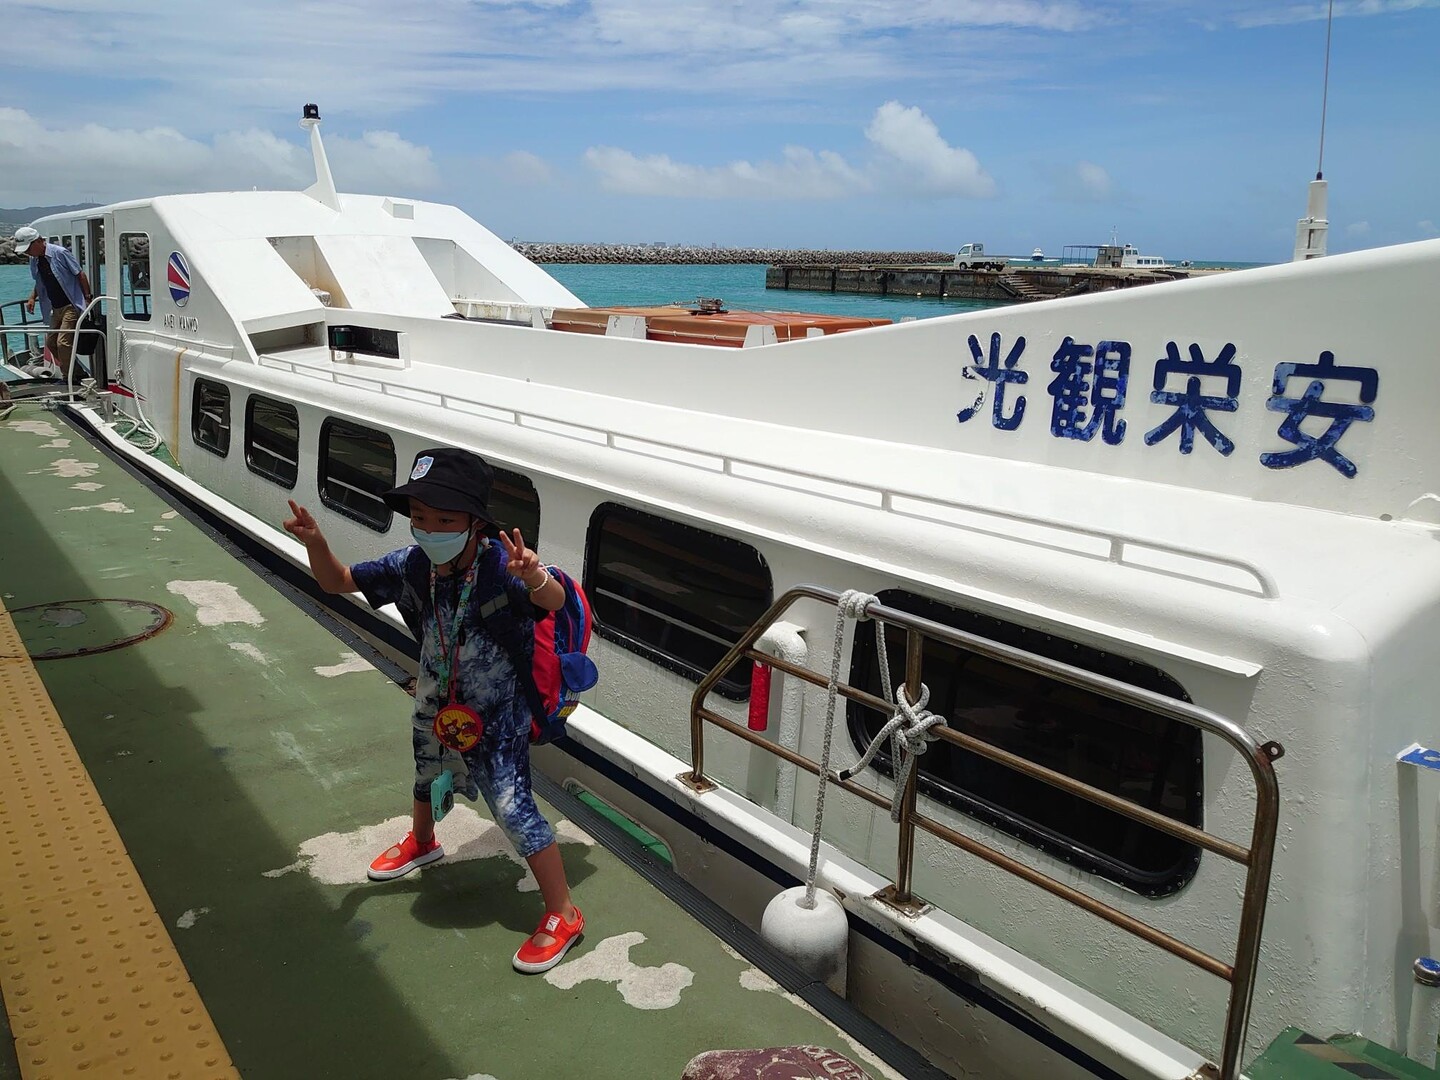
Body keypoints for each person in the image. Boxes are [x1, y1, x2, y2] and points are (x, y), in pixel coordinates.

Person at [282, 446, 584, 974]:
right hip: (436, 700)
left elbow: (553, 603)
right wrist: (317, 545)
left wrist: (534, 576)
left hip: (497, 717)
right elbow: (337, 582)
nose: (429, 528)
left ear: (474, 523)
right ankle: (423, 841)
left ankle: (563, 911)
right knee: (425, 771)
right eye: (420, 518)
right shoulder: (414, 563)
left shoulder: (502, 566)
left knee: (513, 809)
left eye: (444, 519)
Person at [15, 226, 92, 380]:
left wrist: (87, 298)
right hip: (55, 307)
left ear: (37, 242)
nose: (26, 252)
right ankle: (77, 371)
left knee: (63, 342)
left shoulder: (60, 253)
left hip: (70, 304)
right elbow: (40, 281)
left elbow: (80, 274)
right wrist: (32, 297)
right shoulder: (35, 260)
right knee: (51, 342)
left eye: (28, 248)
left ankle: (68, 378)